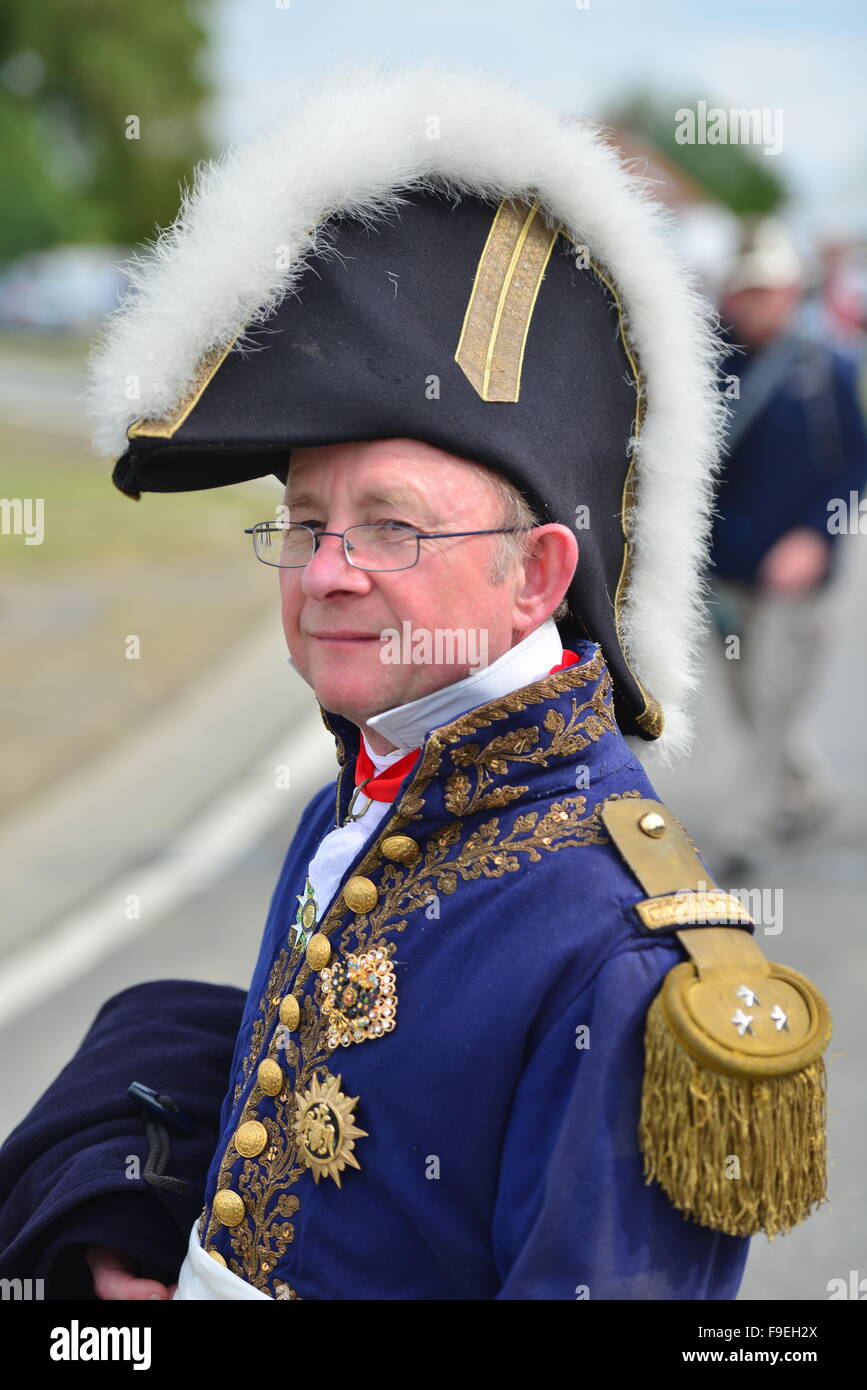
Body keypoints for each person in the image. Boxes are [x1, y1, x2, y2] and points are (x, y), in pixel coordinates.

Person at [0, 62, 831, 1300]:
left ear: (538, 573)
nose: (327, 571)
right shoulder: (363, 786)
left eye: (393, 525)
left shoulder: (623, 955)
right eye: (305, 519)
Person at [709, 218, 867, 872]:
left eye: (769, 290)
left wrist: (813, 537)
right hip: (725, 572)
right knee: (746, 697)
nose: (758, 303)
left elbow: (851, 469)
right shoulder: (707, 366)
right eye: (747, 291)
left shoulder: (824, 367)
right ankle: (807, 788)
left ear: (790, 290)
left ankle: (746, 828)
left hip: (796, 575)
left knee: (772, 699)